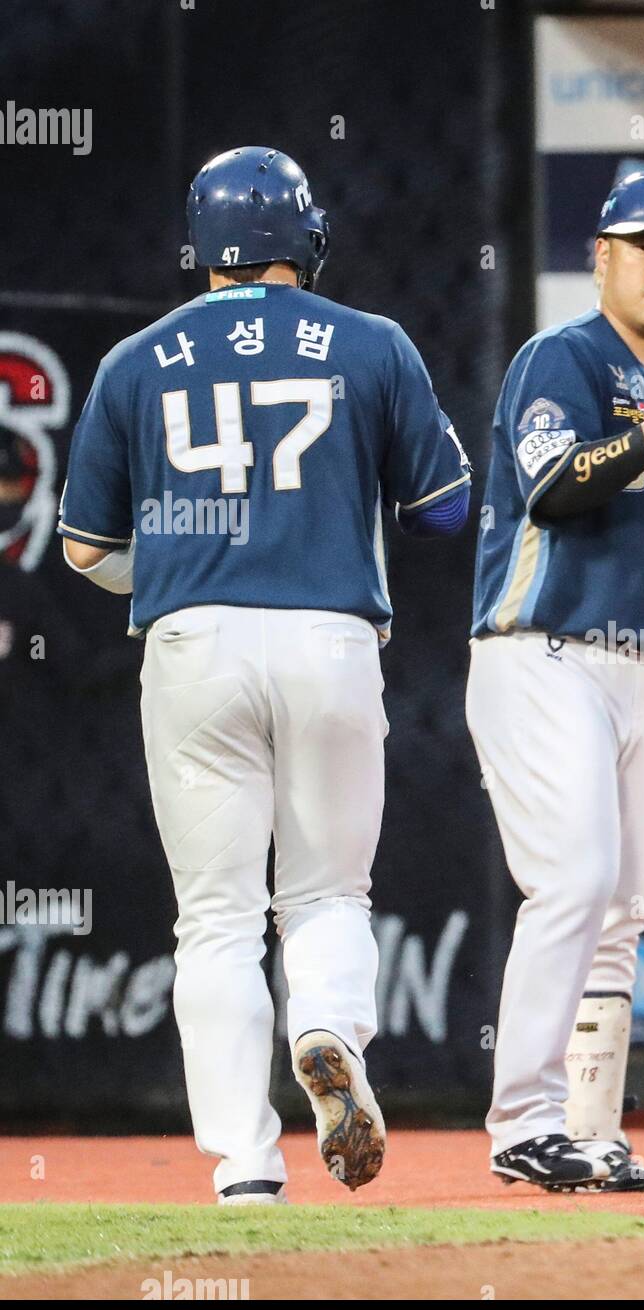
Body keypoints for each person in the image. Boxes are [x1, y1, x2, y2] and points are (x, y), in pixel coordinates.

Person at [58, 146, 471, 1204]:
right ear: (306, 236)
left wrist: (195, 567)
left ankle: (245, 1162)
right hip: (327, 640)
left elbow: (84, 546)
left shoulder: (133, 361)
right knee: (329, 890)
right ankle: (327, 1027)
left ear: (200, 246)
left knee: (216, 919)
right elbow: (445, 510)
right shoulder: (373, 343)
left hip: (193, 643)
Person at [468, 165, 644, 1192]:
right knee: (573, 881)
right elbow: (552, 485)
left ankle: (588, 1129)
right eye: (643, 246)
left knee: (620, 907)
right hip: (543, 650)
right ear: (602, 257)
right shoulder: (560, 359)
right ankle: (522, 1122)